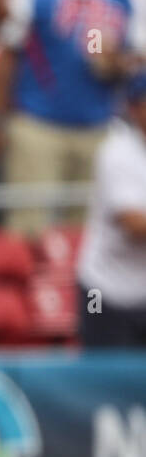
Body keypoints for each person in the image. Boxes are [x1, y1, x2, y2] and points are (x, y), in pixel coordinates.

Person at [0, 0, 143, 236]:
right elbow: (8, 49)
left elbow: (135, 54)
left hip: (99, 126)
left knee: (86, 233)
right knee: (28, 231)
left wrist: (117, 60)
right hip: (38, 122)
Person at [77, 72, 146, 347]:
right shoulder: (117, 151)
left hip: (142, 288)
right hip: (105, 290)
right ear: (134, 107)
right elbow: (134, 225)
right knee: (103, 382)